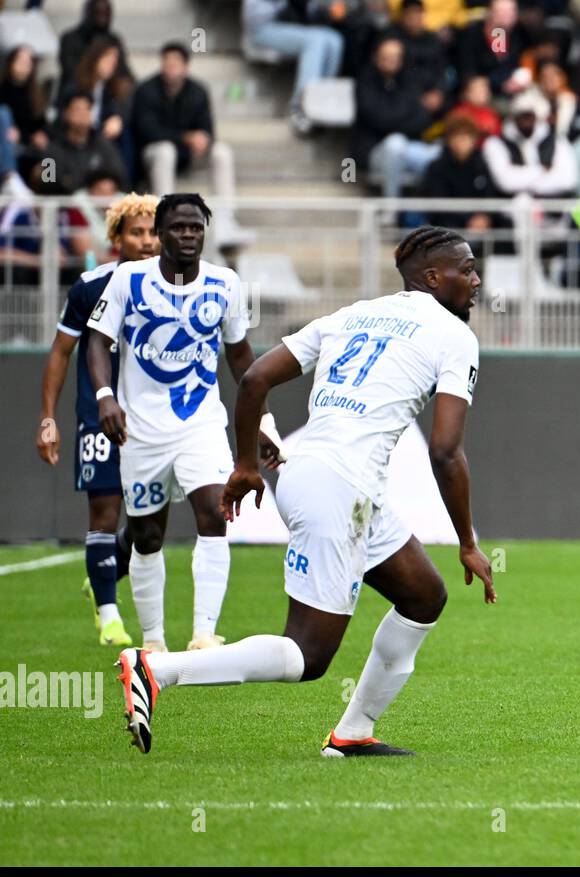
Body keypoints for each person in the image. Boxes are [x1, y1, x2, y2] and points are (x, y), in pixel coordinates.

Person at [116, 226, 496, 758]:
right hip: (340, 488)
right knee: (307, 655)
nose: (476, 281)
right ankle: (158, 669)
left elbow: (252, 381)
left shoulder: (353, 314)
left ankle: (353, 733)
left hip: (316, 476)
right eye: (468, 269)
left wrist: (247, 464)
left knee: (423, 596)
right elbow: (445, 452)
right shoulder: (455, 335)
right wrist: (467, 540)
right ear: (433, 278)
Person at [85, 193, 280, 655]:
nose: (187, 236)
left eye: (195, 228)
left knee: (215, 514)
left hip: (200, 424)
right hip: (140, 432)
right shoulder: (128, 280)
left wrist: (265, 421)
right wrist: (105, 396)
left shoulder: (225, 284)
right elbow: (97, 342)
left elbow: (239, 356)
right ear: (160, 232)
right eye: (177, 228)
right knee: (147, 534)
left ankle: (204, 635)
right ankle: (153, 642)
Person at [35, 192, 159, 647]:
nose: (147, 242)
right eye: (136, 233)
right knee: (104, 510)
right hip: (100, 415)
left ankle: (105, 572)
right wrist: (48, 418)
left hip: (157, 420)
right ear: (117, 238)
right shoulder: (90, 286)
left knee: (150, 518)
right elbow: (60, 353)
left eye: (152, 232)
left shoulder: (177, 288)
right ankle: (109, 614)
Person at [132, 44, 245, 244]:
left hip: (189, 155)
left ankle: (225, 219)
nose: (170, 68)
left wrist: (203, 139)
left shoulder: (198, 91)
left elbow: (208, 130)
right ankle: (166, 218)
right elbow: (147, 131)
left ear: (185, 67)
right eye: (167, 63)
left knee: (221, 152)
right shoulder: (146, 90)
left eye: (175, 64)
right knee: (165, 151)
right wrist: (185, 137)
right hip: (153, 155)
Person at [352, 37, 441, 201]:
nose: (390, 61)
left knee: (439, 155)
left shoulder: (410, 80)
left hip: (409, 148)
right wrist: (405, 116)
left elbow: (422, 119)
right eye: (385, 56)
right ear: (376, 57)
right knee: (395, 143)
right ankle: (390, 210)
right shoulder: (365, 81)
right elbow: (376, 119)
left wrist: (396, 117)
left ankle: (428, 214)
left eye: (395, 57)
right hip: (374, 150)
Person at [242, 0, 345, 133]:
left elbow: (307, 10)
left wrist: (324, 11)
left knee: (334, 40)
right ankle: (300, 108)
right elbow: (253, 19)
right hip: (262, 29)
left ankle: (321, 103)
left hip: (291, 25)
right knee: (316, 41)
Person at [481, 87, 578, 198]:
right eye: (522, 114)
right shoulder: (496, 143)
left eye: (529, 115)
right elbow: (505, 182)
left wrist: (523, 179)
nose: (526, 120)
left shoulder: (557, 142)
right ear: (513, 116)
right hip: (510, 212)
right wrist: (542, 170)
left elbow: (568, 180)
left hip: (552, 211)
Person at [41, 91, 127, 194]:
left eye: (87, 109)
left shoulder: (103, 145)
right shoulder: (53, 148)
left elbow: (119, 174)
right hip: (67, 204)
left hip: (100, 203)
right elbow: (46, 183)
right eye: (78, 109)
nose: (83, 114)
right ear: (66, 114)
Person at [58, 0, 132, 100]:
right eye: (98, 14)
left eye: (106, 14)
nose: (102, 20)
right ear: (87, 14)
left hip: (108, 95)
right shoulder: (70, 39)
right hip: (77, 95)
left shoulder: (113, 40)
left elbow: (124, 72)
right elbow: (72, 72)